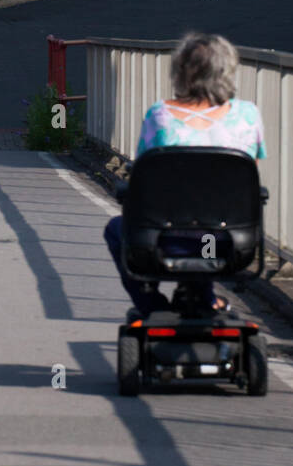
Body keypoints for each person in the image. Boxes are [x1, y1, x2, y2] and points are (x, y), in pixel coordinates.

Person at [104, 33, 266, 316]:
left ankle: (150, 305)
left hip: (163, 240)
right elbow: (250, 173)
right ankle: (204, 297)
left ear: (180, 71)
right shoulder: (248, 116)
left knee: (116, 229)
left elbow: (144, 171)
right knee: (207, 217)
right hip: (227, 242)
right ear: (227, 71)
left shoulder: (160, 116)